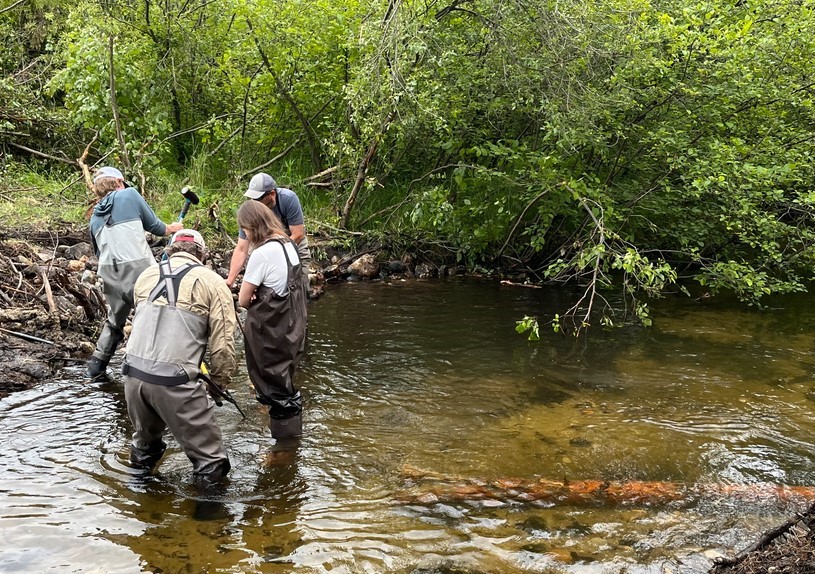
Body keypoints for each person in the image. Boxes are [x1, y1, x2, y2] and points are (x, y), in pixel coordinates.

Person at [122, 229, 237, 483]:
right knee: (212, 463)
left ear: (169, 251)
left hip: (132, 376)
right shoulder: (213, 283)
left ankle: (139, 498)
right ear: (202, 255)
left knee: (144, 447)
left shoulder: (146, 275)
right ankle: (206, 511)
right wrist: (218, 386)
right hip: (175, 382)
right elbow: (223, 347)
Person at [86, 166, 183, 380]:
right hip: (139, 270)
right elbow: (157, 227)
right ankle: (155, 369)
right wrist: (174, 228)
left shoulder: (94, 217)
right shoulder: (129, 194)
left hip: (109, 273)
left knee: (115, 321)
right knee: (156, 315)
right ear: (119, 182)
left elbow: (98, 252)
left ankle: (95, 369)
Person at [236, 201, 308, 439]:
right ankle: (292, 442)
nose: (244, 234)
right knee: (284, 380)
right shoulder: (288, 244)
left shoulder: (262, 253)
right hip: (294, 325)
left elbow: (243, 300)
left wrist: (254, 293)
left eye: (244, 228)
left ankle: (284, 446)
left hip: (272, 330)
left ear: (252, 226)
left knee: (274, 387)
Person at [226, 172, 311, 289]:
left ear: (272, 194)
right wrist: (230, 280)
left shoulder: (288, 199)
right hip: (264, 249)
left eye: (258, 198)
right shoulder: (250, 211)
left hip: (293, 246)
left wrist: (275, 255)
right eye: (252, 198)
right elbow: (241, 249)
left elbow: (298, 234)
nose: (255, 202)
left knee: (299, 289)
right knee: (266, 292)